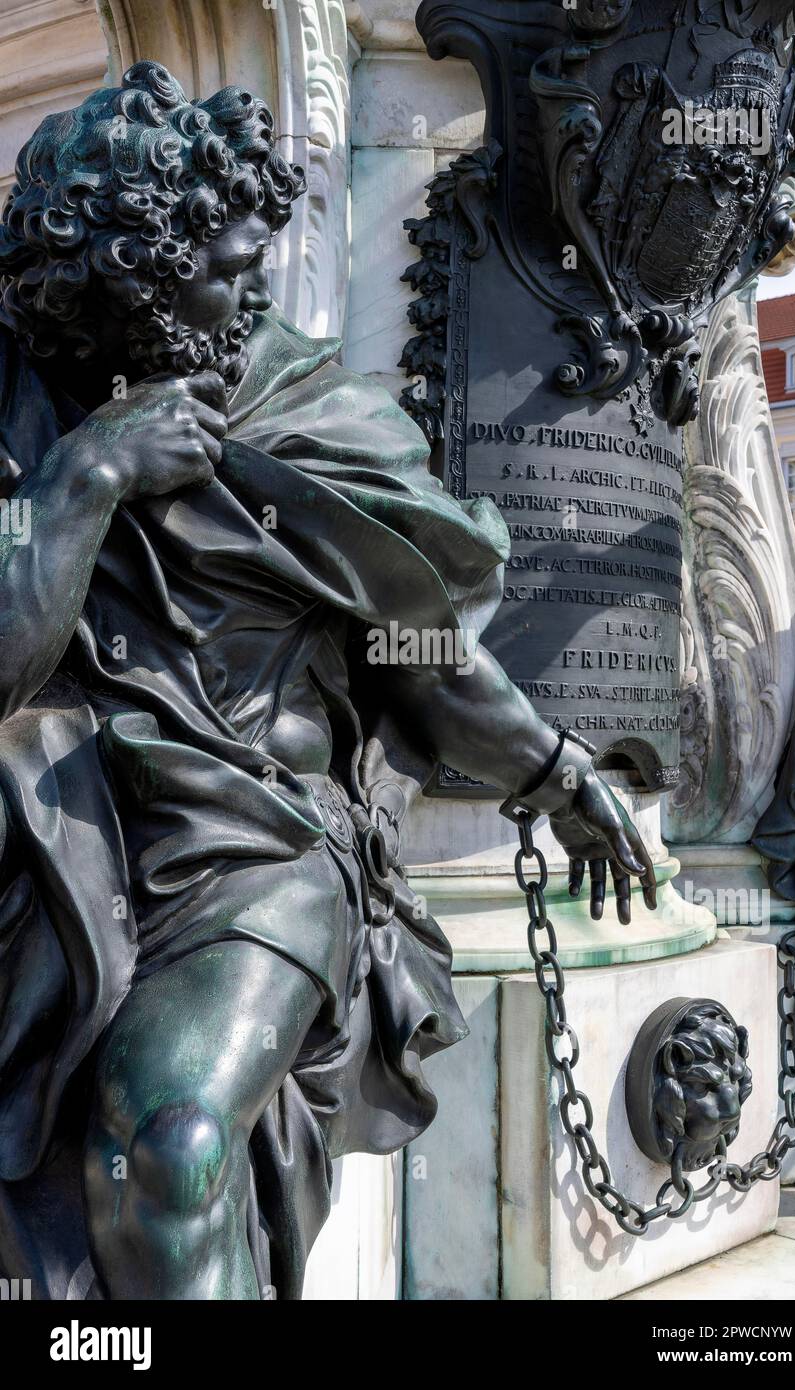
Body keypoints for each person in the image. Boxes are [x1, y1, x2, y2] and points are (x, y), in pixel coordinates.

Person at [0, 61, 656, 1300]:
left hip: (254, 849)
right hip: (47, 853)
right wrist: (84, 478)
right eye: (228, 266)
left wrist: (558, 771)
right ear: (129, 281)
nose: (258, 291)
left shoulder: (303, 409)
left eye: (261, 257)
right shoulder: (24, 413)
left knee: (169, 1147)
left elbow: (422, 651)